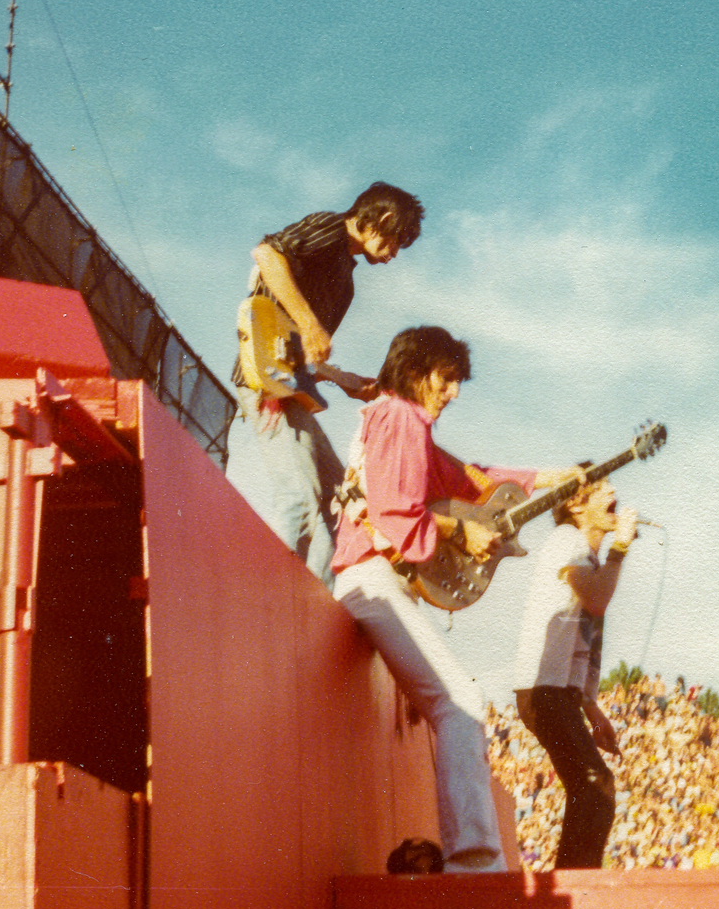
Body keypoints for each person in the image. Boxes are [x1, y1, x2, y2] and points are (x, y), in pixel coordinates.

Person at [331, 325, 580, 872]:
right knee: (461, 705)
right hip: (371, 579)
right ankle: (474, 862)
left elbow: (473, 480)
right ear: (417, 373)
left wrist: (549, 478)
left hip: (375, 580)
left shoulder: (401, 424)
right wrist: (459, 533)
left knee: (459, 704)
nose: (454, 393)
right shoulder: (399, 417)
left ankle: (476, 858)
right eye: (447, 380)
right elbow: (396, 516)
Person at [233, 183, 424, 584]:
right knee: (299, 498)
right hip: (266, 386)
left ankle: (318, 602)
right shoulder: (330, 229)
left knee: (341, 500)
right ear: (383, 220)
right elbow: (266, 254)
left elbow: (304, 355)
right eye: (395, 243)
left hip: (292, 389)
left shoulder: (346, 283)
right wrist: (309, 322)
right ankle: (276, 601)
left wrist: (344, 380)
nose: (392, 256)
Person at [511, 478, 638, 868]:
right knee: (595, 785)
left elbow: (583, 644)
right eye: (605, 492)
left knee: (589, 786)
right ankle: (573, 894)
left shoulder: (588, 558)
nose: (615, 497)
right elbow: (597, 600)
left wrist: (591, 708)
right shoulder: (568, 539)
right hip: (542, 689)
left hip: (556, 691)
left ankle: (570, 891)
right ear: (578, 505)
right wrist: (620, 547)